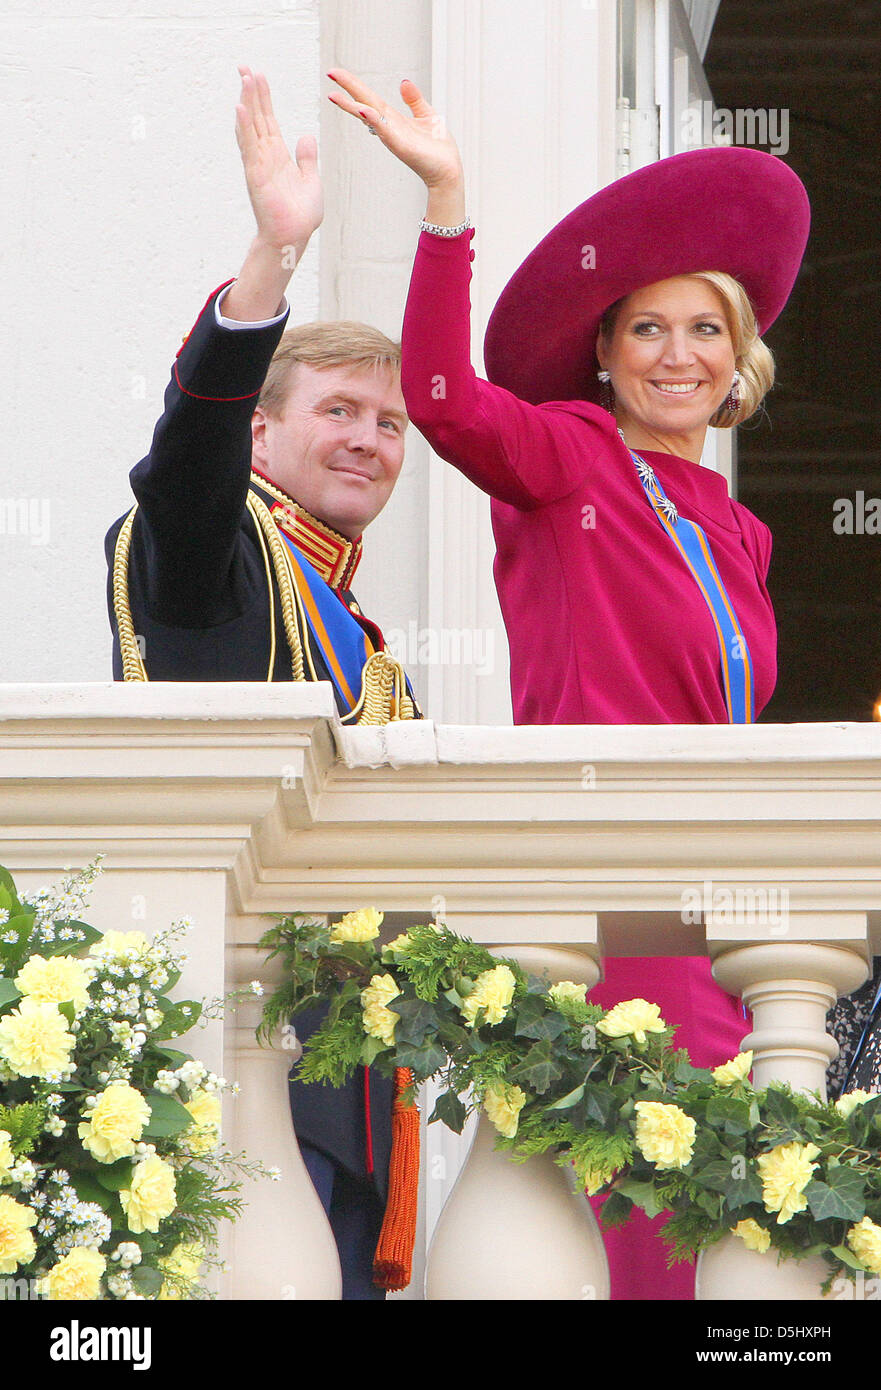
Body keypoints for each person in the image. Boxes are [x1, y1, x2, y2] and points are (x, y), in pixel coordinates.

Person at [326, 68, 812, 1298]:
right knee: (633, 1205)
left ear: (738, 356)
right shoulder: (569, 459)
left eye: (705, 328)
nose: (677, 354)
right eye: (645, 327)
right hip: (607, 876)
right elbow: (437, 398)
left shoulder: (740, 531)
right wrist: (445, 204)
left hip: (723, 901)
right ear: (601, 353)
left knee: (726, 1216)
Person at [105, 68, 419, 1299]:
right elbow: (179, 468)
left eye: (390, 423)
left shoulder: (350, 617)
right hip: (227, 1028)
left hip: (341, 1067)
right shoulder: (218, 551)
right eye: (339, 409)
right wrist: (267, 272)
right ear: (259, 433)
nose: (368, 439)